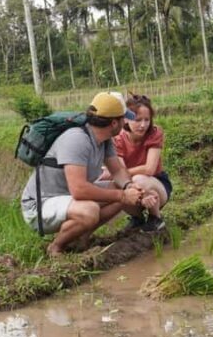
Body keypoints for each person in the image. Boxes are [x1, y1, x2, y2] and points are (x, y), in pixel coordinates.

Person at [20, 91, 149, 257]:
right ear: (114, 123)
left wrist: (130, 187)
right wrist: (123, 196)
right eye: (123, 119)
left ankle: (82, 236)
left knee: (118, 189)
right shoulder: (77, 140)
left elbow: (117, 171)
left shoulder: (104, 140)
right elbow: (79, 190)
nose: (125, 122)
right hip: (40, 205)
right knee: (90, 210)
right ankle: (56, 247)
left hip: (68, 199)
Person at [112, 93, 172, 232]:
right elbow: (120, 172)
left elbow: (149, 169)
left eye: (147, 119)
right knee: (116, 185)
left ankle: (155, 218)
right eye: (138, 120)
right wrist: (120, 174)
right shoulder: (118, 139)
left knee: (138, 178)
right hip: (131, 185)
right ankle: (137, 218)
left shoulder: (154, 133)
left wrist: (121, 172)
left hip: (156, 184)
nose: (143, 125)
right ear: (126, 119)